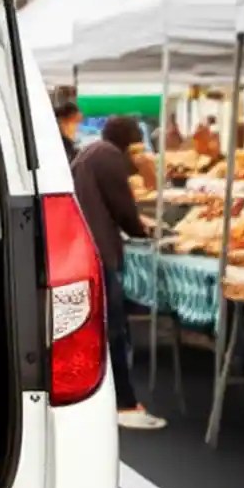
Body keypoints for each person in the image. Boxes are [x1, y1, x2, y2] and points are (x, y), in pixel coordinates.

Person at [70, 115, 166, 430]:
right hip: (101, 250)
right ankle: (125, 402)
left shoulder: (90, 153)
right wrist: (143, 231)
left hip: (85, 247)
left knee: (101, 327)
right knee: (114, 329)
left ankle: (107, 397)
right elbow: (123, 208)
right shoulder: (109, 156)